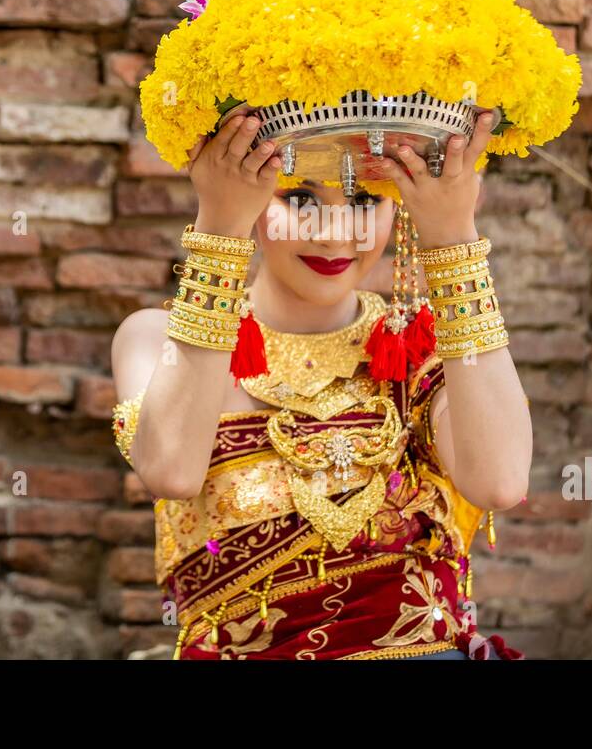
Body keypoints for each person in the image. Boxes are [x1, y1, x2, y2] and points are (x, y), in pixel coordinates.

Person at [110, 104, 532, 659]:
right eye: (300, 198)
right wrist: (219, 225)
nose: (335, 233)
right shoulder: (158, 338)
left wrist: (454, 239)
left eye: (363, 200)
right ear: (254, 193)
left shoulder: (424, 350)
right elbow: (170, 469)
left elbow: (500, 482)